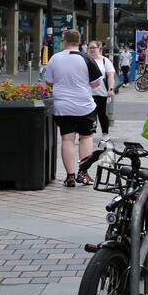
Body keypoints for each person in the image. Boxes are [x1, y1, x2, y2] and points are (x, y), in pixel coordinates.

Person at [42, 29, 104, 187]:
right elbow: (97, 83)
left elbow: (48, 82)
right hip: (84, 106)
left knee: (67, 139)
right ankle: (83, 174)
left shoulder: (55, 58)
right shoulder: (86, 58)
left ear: (64, 41)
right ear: (80, 42)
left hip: (62, 106)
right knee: (86, 137)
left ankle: (69, 176)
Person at [87, 40, 117, 136]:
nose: (91, 49)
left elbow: (110, 75)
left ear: (99, 49)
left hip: (101, 93)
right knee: (90, 116)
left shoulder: (104, 60)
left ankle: (105, 135)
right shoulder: (86, 59)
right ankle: (89, 136)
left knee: (102, 115)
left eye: (93, 47)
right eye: (90, 47)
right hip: (88, 93)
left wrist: (111, 89)